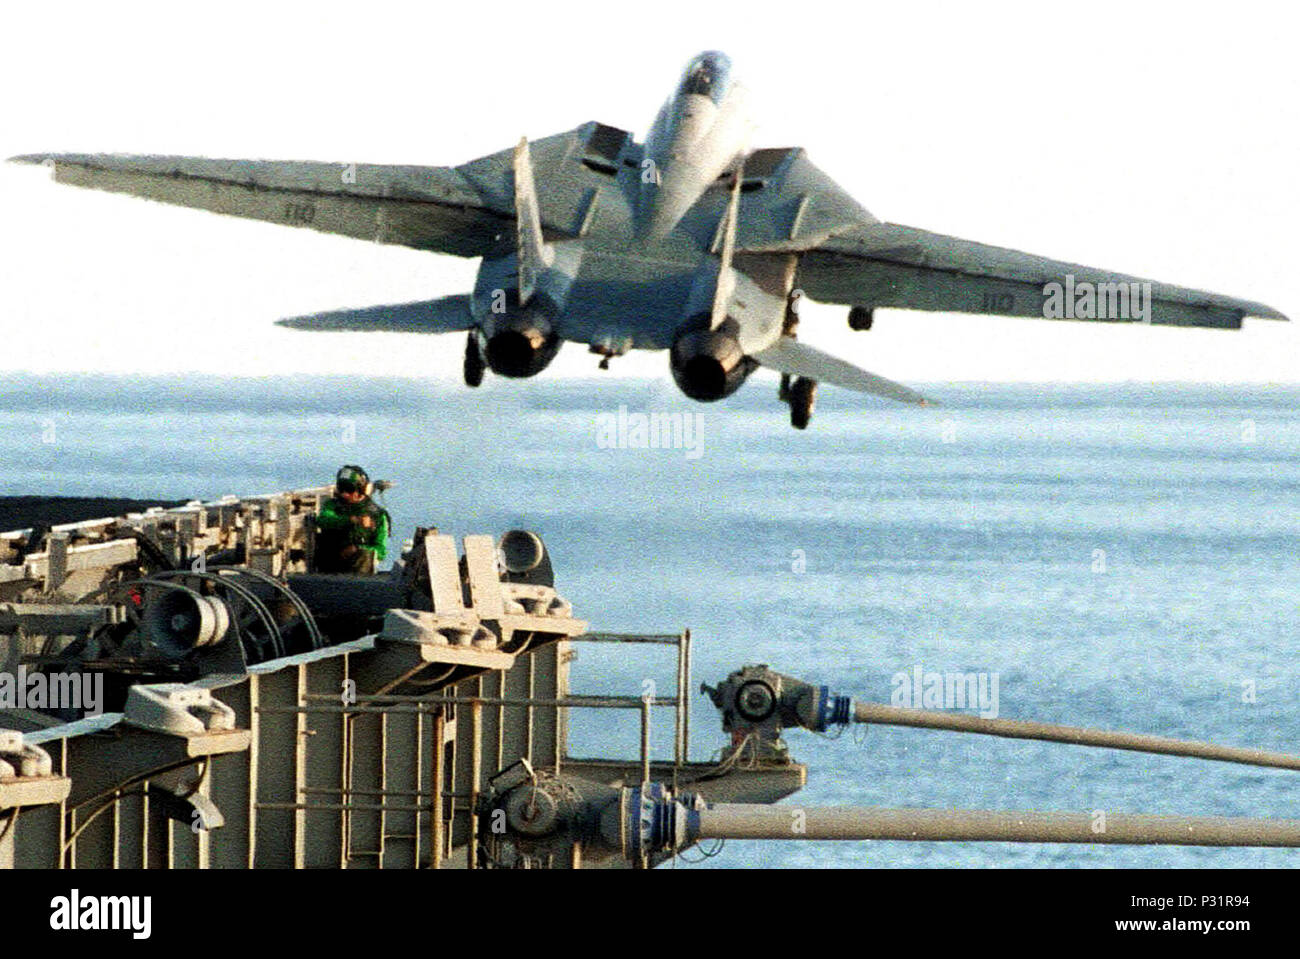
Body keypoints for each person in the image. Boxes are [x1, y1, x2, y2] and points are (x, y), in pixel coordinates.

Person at [313, 465, 390, 574]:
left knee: (365, 554)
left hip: (359, 573)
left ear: (361, 489)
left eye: (349, 489)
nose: (344, 494)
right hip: (329, 567)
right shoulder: (333, 506)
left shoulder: (378, 515)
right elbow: (323, 520)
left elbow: (381, 550)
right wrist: (352, 520)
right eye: (341, 489)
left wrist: (357, 549)